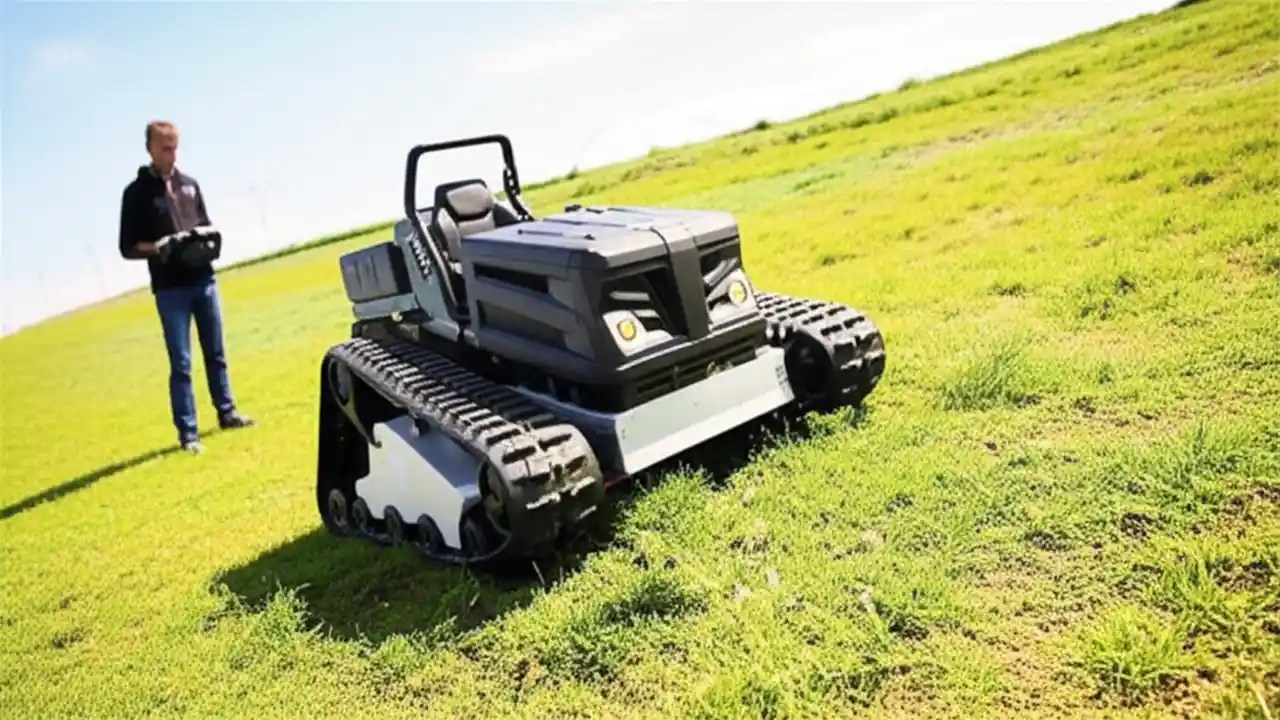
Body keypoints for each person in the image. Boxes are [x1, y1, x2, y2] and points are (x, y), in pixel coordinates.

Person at [118, 120, 254, 454]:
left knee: (216, 353)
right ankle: (188, 434)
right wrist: (160, 247)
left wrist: (207, 241)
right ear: (150, 148)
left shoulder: (190, 185)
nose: (172, 154)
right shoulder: (136, 193)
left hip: (204, 280)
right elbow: (127, 246)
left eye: (175, 146)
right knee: (181, 362)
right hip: (170, 289)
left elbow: (205, 224)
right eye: (165, 147)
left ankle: (227, 412)